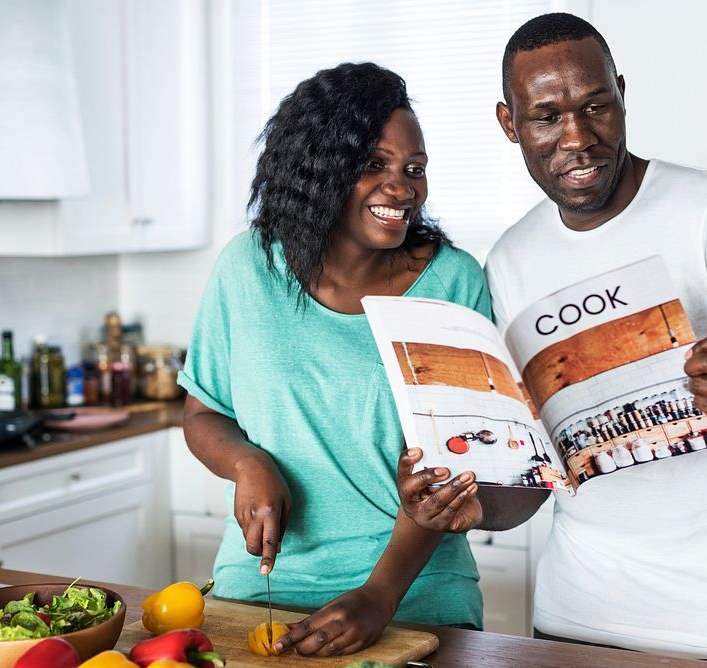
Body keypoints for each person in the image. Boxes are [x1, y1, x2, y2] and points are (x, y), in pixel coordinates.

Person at [395, 13, 707, 667]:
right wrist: (471, 506)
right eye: (547, 116)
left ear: (621, 94)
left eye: (595, 106)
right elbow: (534, 479)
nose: (577, 137)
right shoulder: (511, 259)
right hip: (572, 624)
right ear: (509, 123)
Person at [178, 62, 488, 657]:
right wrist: (247, 463)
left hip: (415, 592)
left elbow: (462, 468)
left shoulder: (452, 283)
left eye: (413, 169)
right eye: (374, 164)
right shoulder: (247, 268)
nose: (402, 188)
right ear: (317, 166)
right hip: (261, 585)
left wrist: (380, 594)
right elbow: (202, 414)